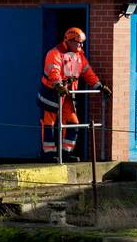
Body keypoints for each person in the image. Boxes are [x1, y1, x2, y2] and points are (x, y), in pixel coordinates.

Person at [37, 27, 111, 160]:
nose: (81, 45)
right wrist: (59, 85)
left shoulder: (79, 57)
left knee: (73, 123)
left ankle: (66, 153)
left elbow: (88, 73)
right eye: (78, 42)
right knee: (49, 123)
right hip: (51, 93)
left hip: (67, 95)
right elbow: (54, 71)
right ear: (69, 41)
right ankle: (48, 154)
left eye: (82, 42)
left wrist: (100, 86)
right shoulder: (54, 53)